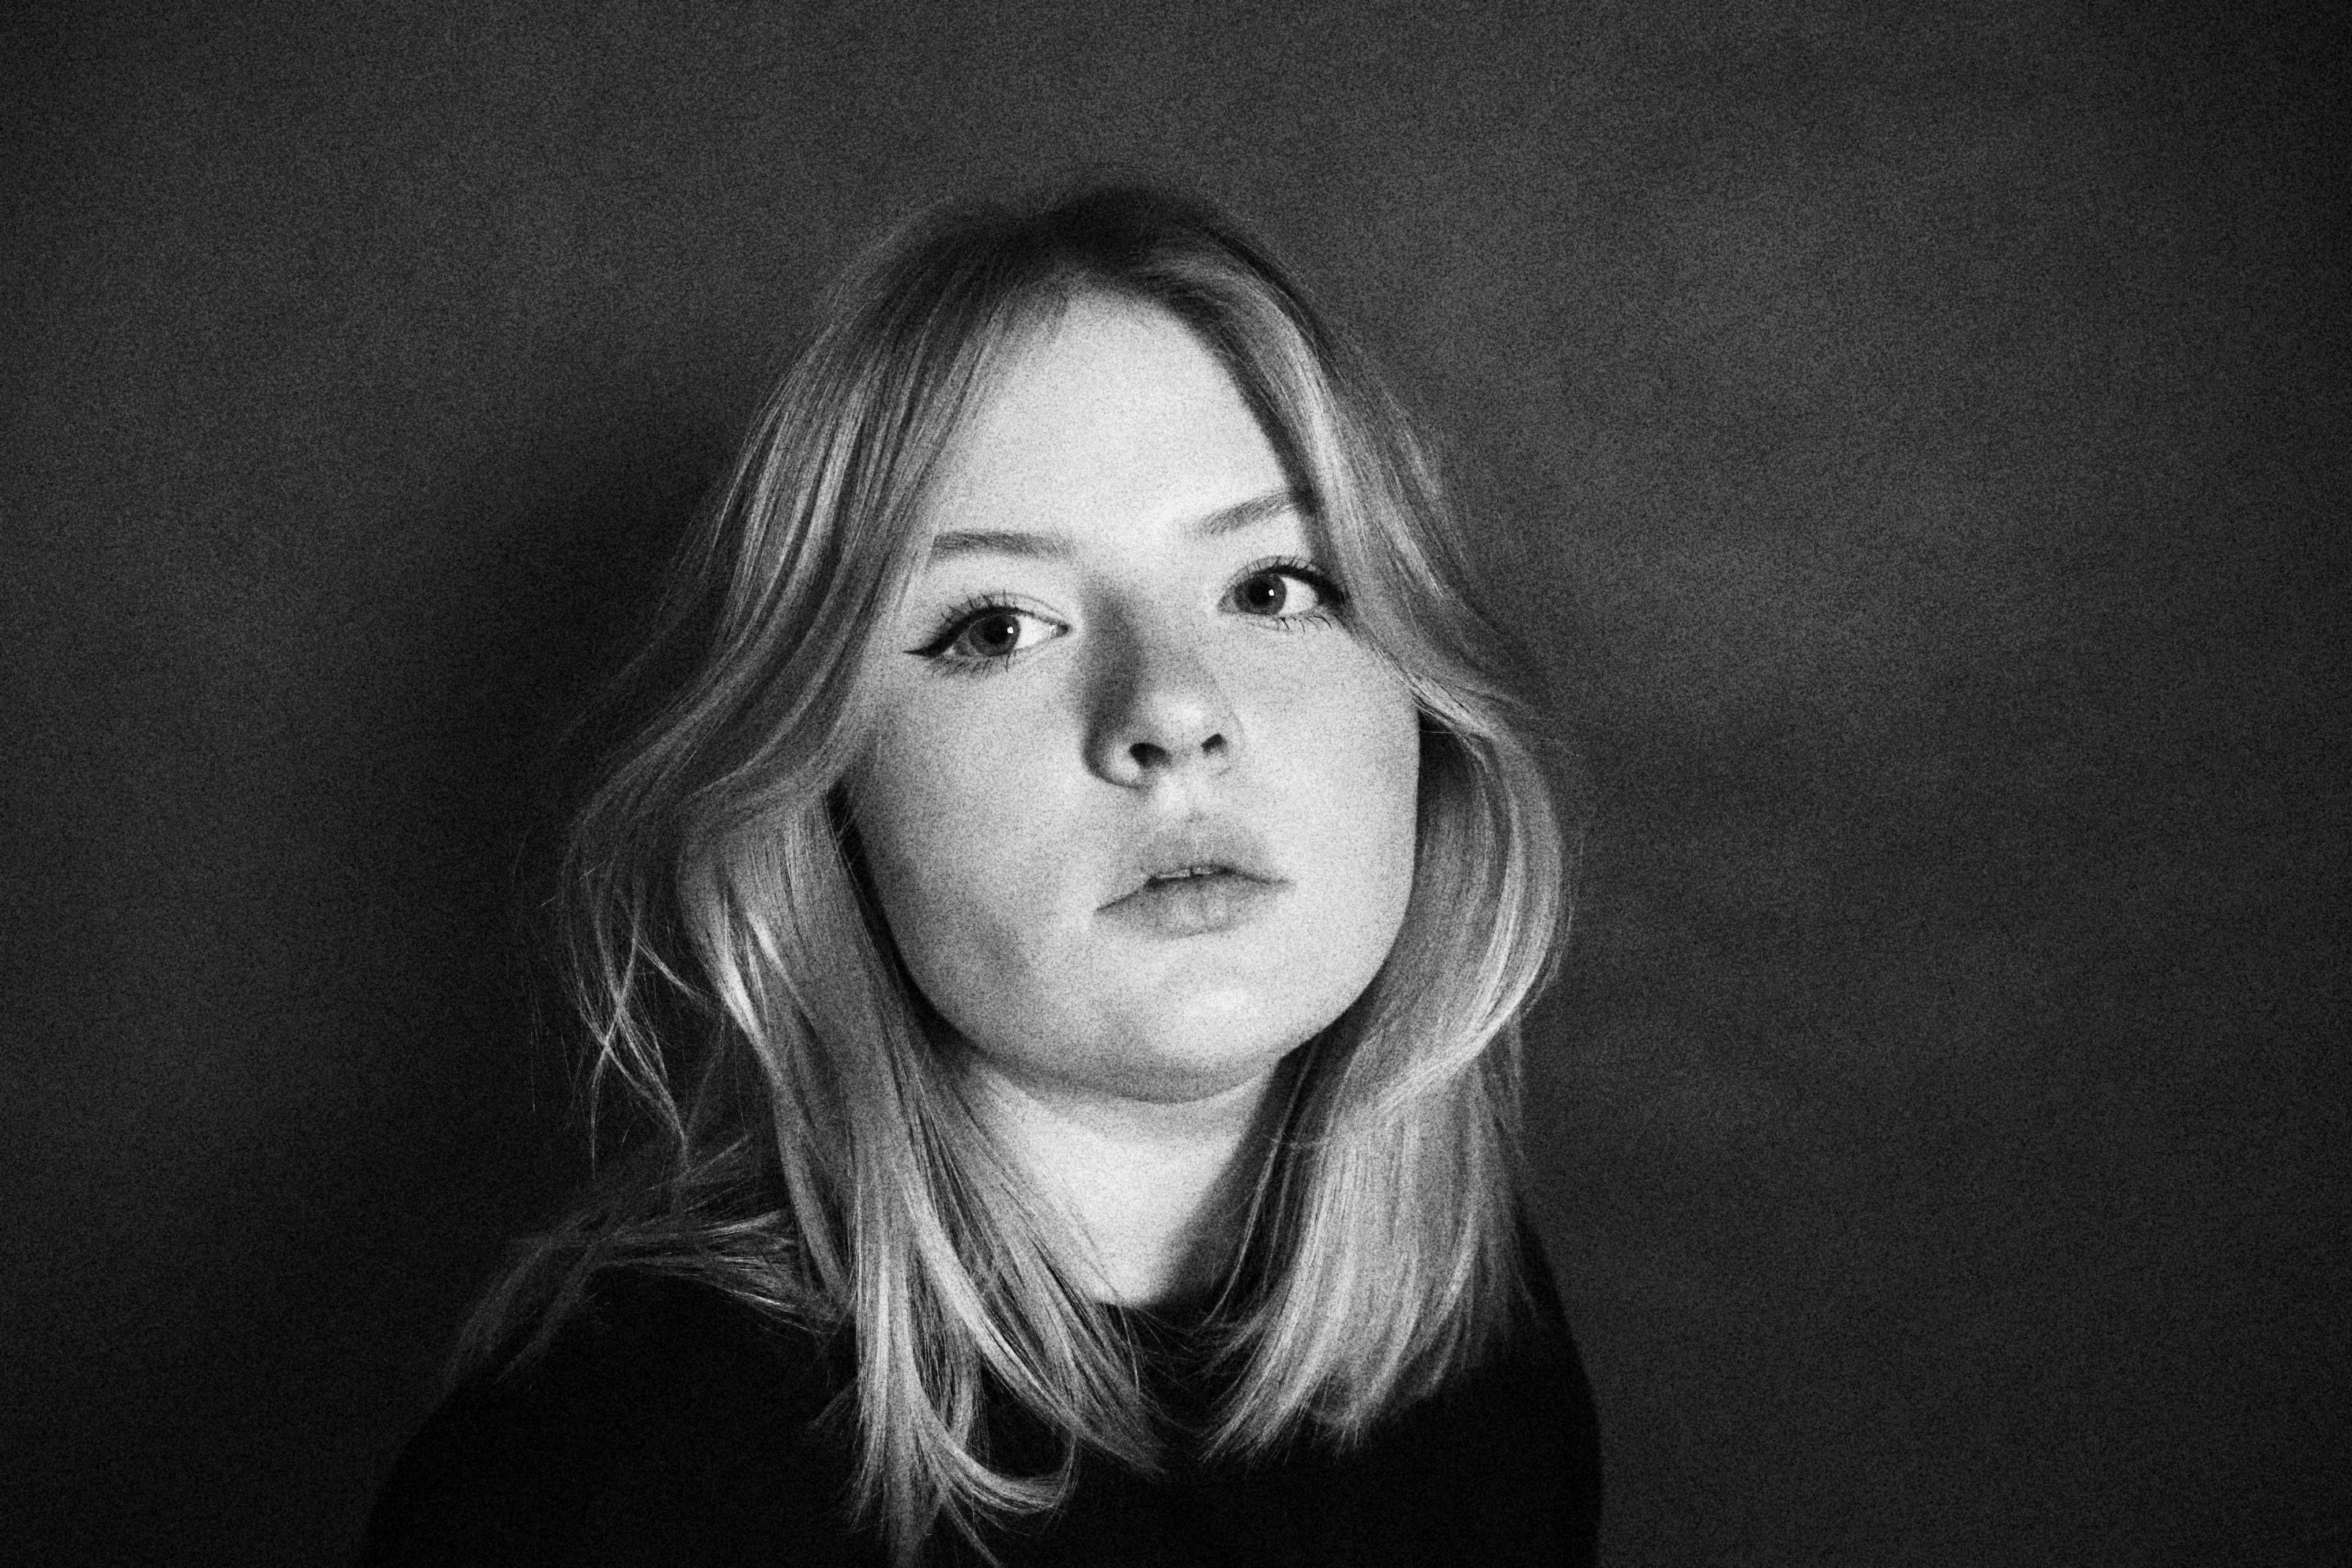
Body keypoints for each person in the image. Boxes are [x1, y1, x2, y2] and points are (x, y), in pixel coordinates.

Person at [360, 185, 1600, 1567]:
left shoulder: (1471, 1338)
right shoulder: (606, 1467)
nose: (1170, 710)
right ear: (827, 788)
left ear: (1426, 710)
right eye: (997, 625)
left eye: (1272, 588)